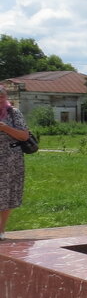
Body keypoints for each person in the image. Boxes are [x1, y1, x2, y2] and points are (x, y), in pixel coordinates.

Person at [0, 87, 31, 240]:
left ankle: (1, 231)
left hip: (9, 160)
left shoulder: (13, 113)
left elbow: (24, 136)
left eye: (1, 96)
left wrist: (5, 128)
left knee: (6, 195)